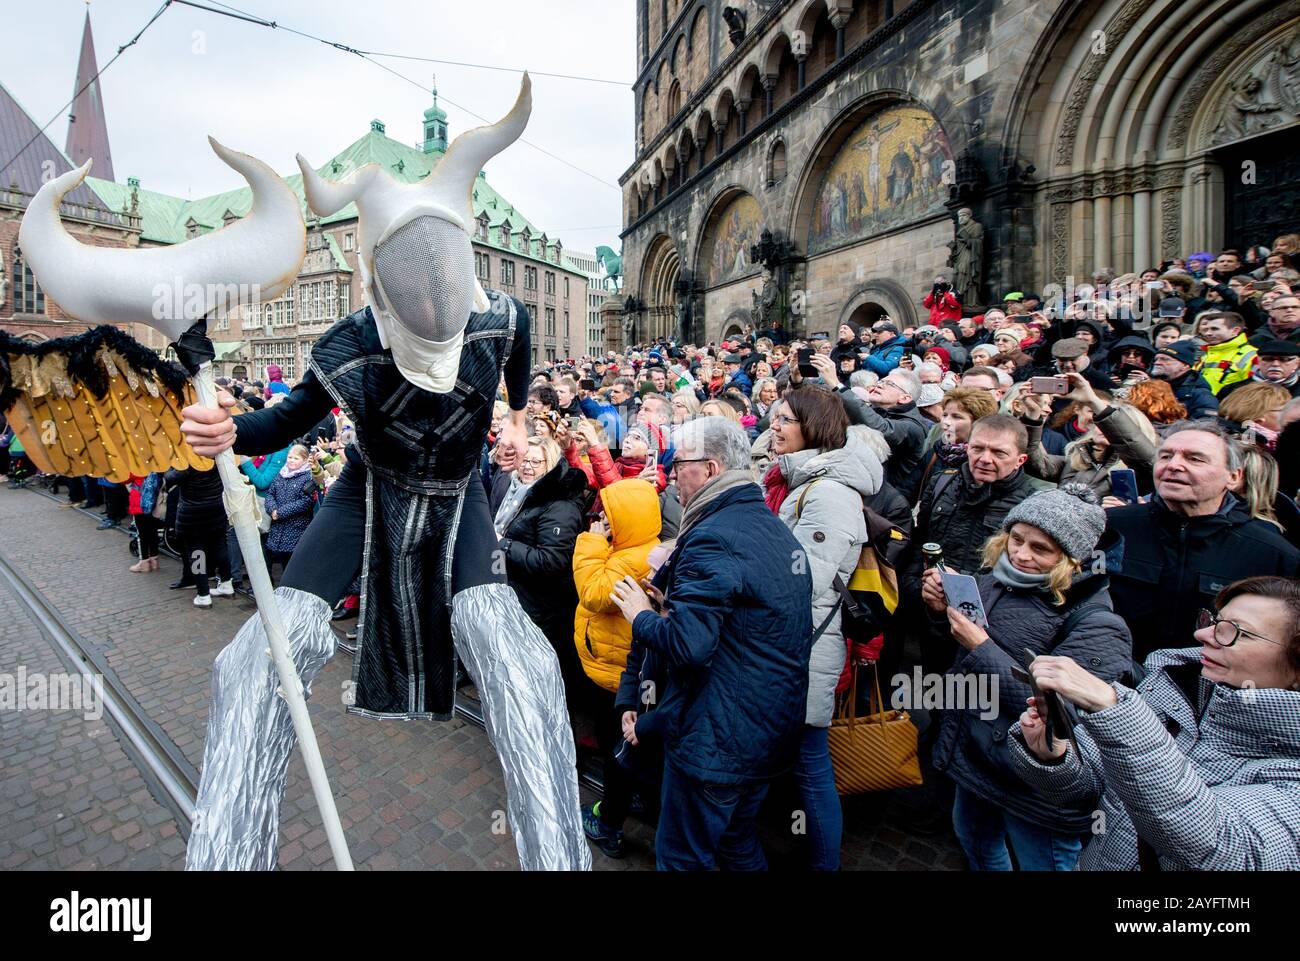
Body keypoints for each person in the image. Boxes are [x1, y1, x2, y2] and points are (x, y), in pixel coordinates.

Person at [178, 78, 590, 871]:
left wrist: (513, 420)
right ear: (381, 301)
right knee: (263, 652)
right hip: (367, 490)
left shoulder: (505, 317)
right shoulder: (350, 342)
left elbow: (519, 385)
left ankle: (558, 856)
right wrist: (229, 427)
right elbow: (284, 420)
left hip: (458, 495)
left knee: (519, 661)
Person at [609, 417, 813, 871]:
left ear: (712, 468)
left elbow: (690, 645)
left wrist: (640, 613)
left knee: (682, 855)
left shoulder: (712, 535)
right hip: (763, 728)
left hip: (719, 738)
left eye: (679, 463)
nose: (671, 473)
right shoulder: (763, 522)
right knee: (736, 844)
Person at [1011, 576, 1300, 870]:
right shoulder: (1179, 688)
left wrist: (1115, 710)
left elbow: (1220, 849)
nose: (1204, 635)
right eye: (1213, 621)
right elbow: (1089, 791)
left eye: (1236, 632)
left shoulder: (1291, 770)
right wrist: (1055, 754)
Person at [923, 485, 1133, 870]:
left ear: (1072, 559)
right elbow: (957, 655)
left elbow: (1063, 714)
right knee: (977, 843)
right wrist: (942, 612)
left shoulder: (1097, 621)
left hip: (1037, 787)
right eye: (1016, 539)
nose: (1020, 554)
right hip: (977, 756)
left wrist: (980, 646)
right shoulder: (994, 578)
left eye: (1041, 549)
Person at [765, 388, 882, 871]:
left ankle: (824, 865)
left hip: (806, 646)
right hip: (788, 643)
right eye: (773, 417)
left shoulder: (829, 492)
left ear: (813, 428)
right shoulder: (798, 480)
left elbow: (809, 579)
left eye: (785, 420)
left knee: (813, 765)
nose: (773, 426)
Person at [1103, 420, 1300, 661]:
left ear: (1233, 477)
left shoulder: (1273, 554)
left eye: (1194, 459)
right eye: (1165, 456)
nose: (1174, 465)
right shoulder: (1109, 527)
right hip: (1109, 679)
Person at [573, 478, 662, 858]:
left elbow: (592, 593)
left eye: (609, 516)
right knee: (628, 752)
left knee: (618, 754)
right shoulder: (634, 547)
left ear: (629, 519)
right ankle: (635, 799)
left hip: (615, 677)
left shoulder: (638, 559)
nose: (602, 521)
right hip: (609, 667)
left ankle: (609, 823)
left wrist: (591, 540)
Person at [905, 414, 1035, 675]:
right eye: (978, 448)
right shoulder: (944, 481)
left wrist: (961, 586)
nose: (985, 459)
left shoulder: (1032, 505)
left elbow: (1027, 573)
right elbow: (920, 539)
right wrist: (916, 587)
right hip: (933, 617)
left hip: (989, 630)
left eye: (999, 452)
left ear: (1020, 460)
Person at [494, 436, 589, 701]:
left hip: (541, 605)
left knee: (535, 676)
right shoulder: (519, 491)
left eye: (537, 461)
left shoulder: (560, 505)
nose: (527, 467)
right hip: (517, 594)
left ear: (551, 464)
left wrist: (505, 544)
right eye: (525, 460)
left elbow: (551, 561)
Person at [1019, 374, 1157, 498]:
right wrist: (1032, 415)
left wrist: (1092, 400)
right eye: (1100, 423)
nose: (1103, 429)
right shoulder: (1076, 461)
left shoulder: (1141, 470)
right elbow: (1031, 462)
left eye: (1108, 425)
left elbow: (1138, 451)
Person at [825, 359, 929, 501]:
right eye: (881, 381)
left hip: (888, 504)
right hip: (867, 493)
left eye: (889, 384)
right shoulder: (878, 411)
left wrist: (837, 386)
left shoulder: (913, 427)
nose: (879, 386)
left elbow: (881, 428)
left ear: (905, 398)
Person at [164, 464, 234, 608]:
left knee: (196, 553)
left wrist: (171, 464)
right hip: (216, 508)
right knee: (220, 546)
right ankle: (227, 585)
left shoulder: (189, 459)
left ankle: (203, 595)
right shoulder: (214, 453)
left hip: (192, 513)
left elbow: (170, 477)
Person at [263, 444, 318, 581]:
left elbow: (306, 501)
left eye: (296, 458)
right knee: (282, 560)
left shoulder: (308, 477)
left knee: (294, 564)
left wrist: (281, 512)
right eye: (290, 457)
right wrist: (272, 509)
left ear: (305, 460)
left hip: (296, 528)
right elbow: (270, 494)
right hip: (279, 527)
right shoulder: (281, 474)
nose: (291, 460)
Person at [1150, 341, 1220, 418]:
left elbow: (1207, 423)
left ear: (1185, 366)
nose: (1157, 363)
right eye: (1156, 359)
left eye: (1165, 359)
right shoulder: (1149, 386)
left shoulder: (1200, 395)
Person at [1196, 312, 1258, 395]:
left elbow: (1253, 388)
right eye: (1206, 329)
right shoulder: (1206, 353)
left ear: (1235, 330)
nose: (1208, 333)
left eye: (1214, 329)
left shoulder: (1252, 355)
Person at [1220, 339, 1300, 401]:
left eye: (1284, 359)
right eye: (1268, 359)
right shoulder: (1234, 390)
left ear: (1297, 363)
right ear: (1258, 361)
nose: (1275, 364)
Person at [127, 472, 165, 574]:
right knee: (153, 531)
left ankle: (144, 563)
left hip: (140, 501)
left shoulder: (136, 464)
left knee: (142, 534)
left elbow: (125, 478)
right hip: (154, 500)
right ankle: (154, 561)